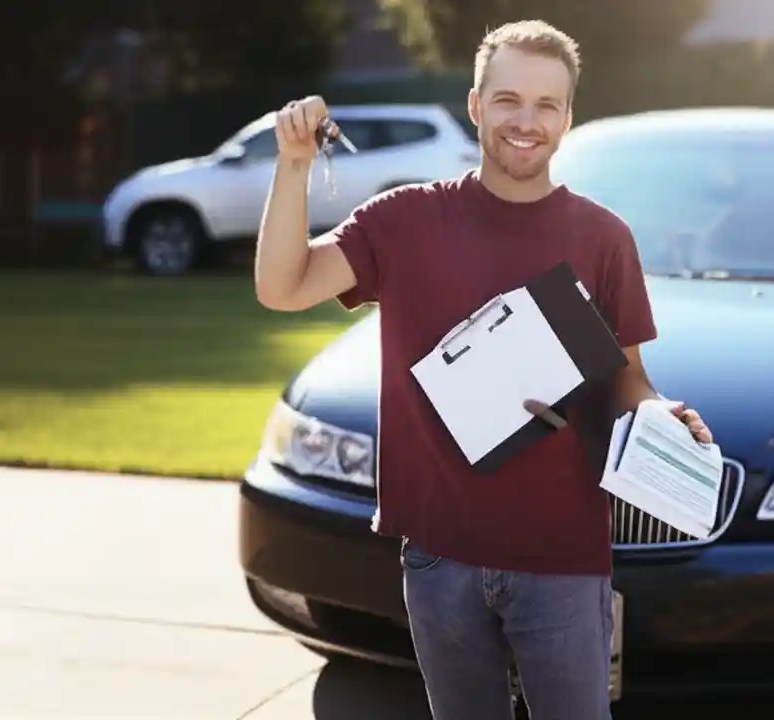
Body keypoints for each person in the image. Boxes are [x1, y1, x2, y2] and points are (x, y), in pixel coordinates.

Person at [253, 19, 713, 720]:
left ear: (567, 118)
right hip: (441, 557)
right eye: (508, 100)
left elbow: (628, 379)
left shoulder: (603, 238)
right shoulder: (404, 221)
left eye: (546, 105)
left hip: (563, 557)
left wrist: (658, 414)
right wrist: (292, 166)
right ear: (475, 105)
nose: (526, 122)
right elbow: (282, 287)